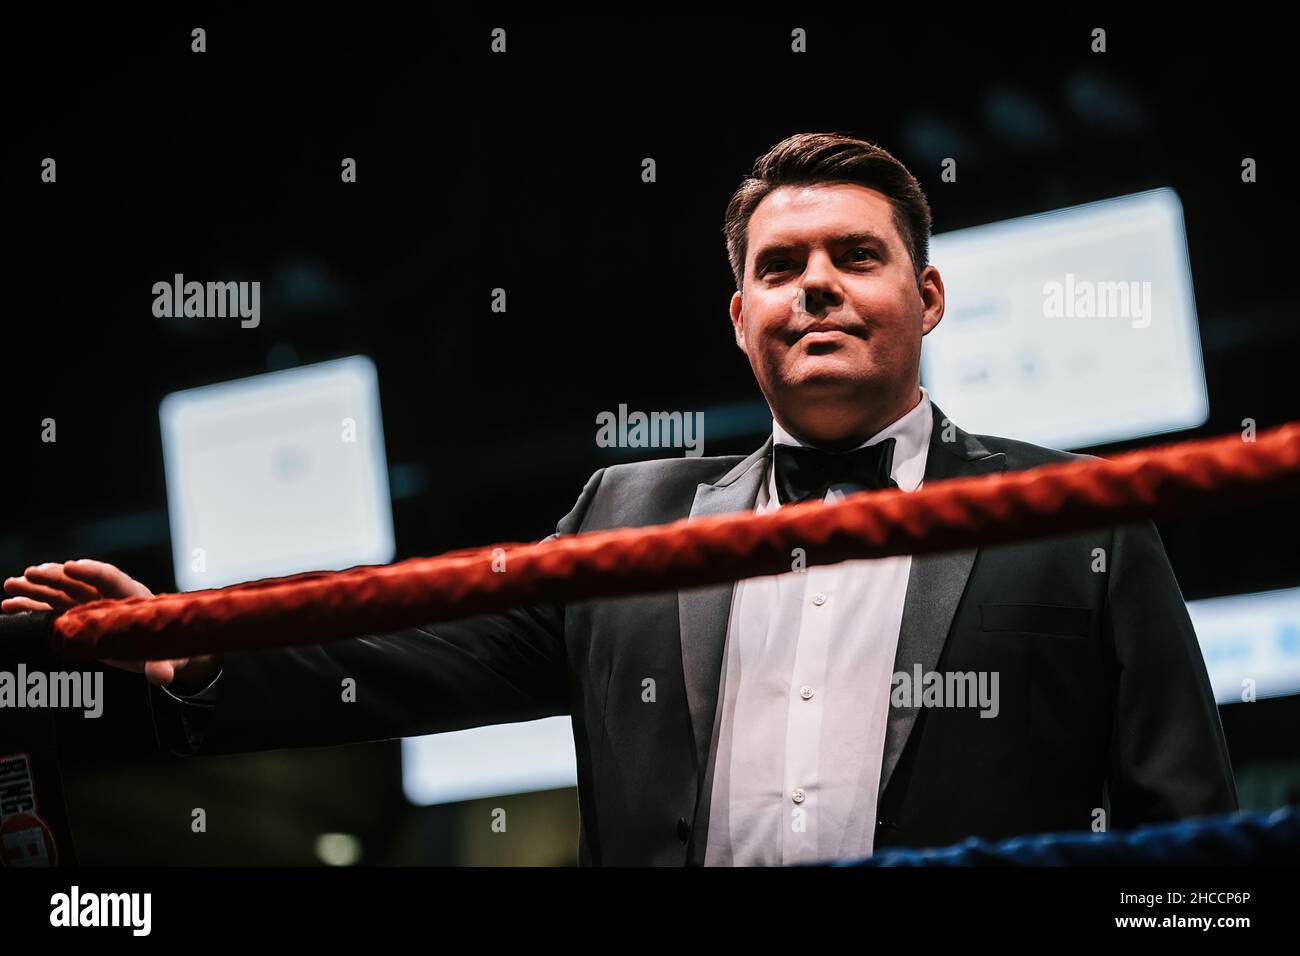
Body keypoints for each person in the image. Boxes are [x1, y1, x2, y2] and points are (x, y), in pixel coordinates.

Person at [3, 132, 1238, 866]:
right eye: (778, 267)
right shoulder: (629, 513)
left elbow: (1187, 828)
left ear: (925, 299)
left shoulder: (1069, 507)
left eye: (854, 257)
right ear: (739, 317)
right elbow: (418, 642)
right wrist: (185, 641)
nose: (814, 286)